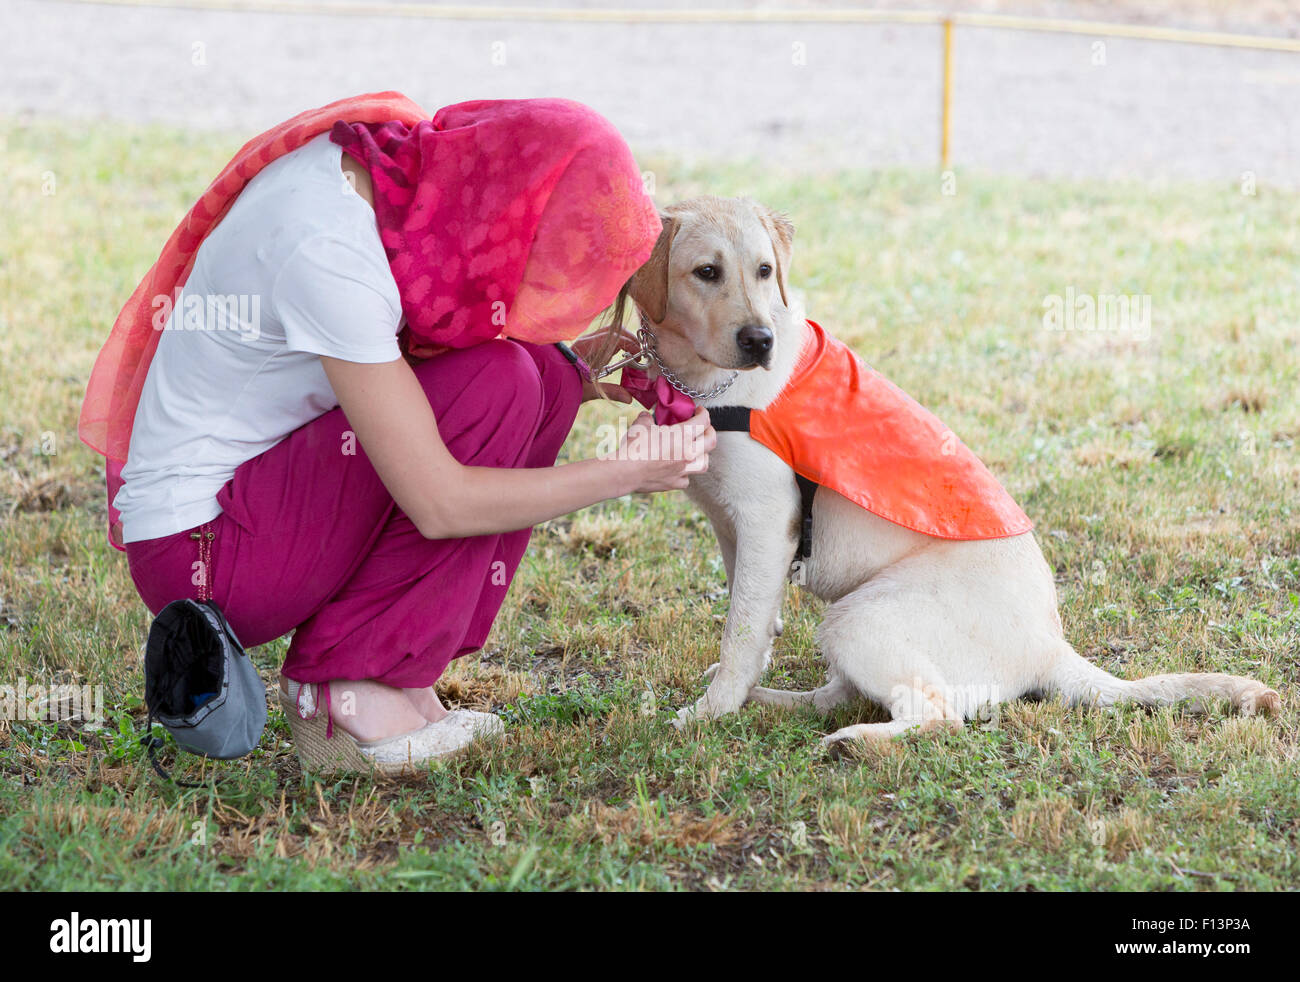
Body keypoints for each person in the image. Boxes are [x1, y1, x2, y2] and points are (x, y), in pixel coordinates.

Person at [79, 94, 715, 774]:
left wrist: (575, 376)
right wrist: (628, 474)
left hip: (255, 493)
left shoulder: (393, 169)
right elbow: (439, 501)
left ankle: (399, 675)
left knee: (540, 372)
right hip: (202, 553)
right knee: (498, 379)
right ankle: (347, 690)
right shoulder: (327, 252)